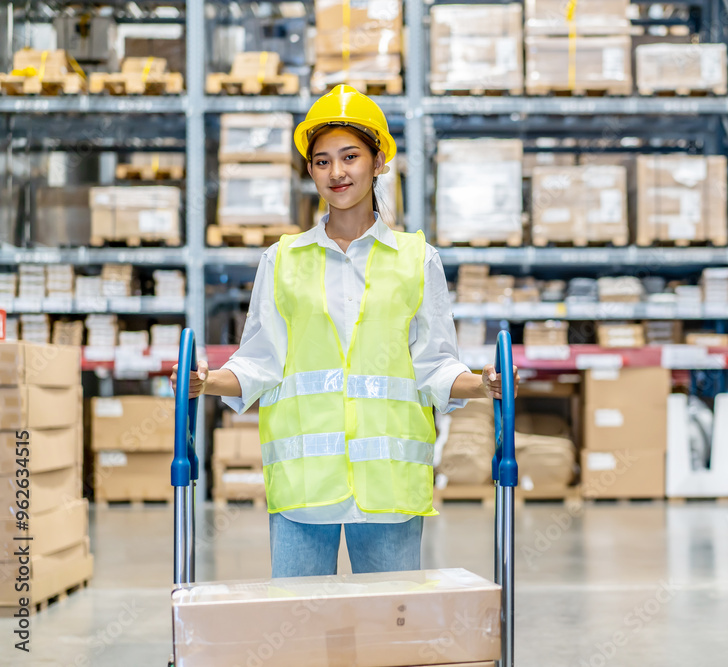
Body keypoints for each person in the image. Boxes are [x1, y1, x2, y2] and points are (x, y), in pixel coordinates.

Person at [171, 85, 519, 578]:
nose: (336, 172)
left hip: (389, 489)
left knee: (390, 635)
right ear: (309, 170)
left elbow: (436, 364)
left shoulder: (418, 260)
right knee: (301, 636)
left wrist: (486, 384)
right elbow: (260, 362)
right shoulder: (282, 260)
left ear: (379, 161)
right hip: (304, 486)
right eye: (321, 161)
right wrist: (204, 381)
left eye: (350, 156)